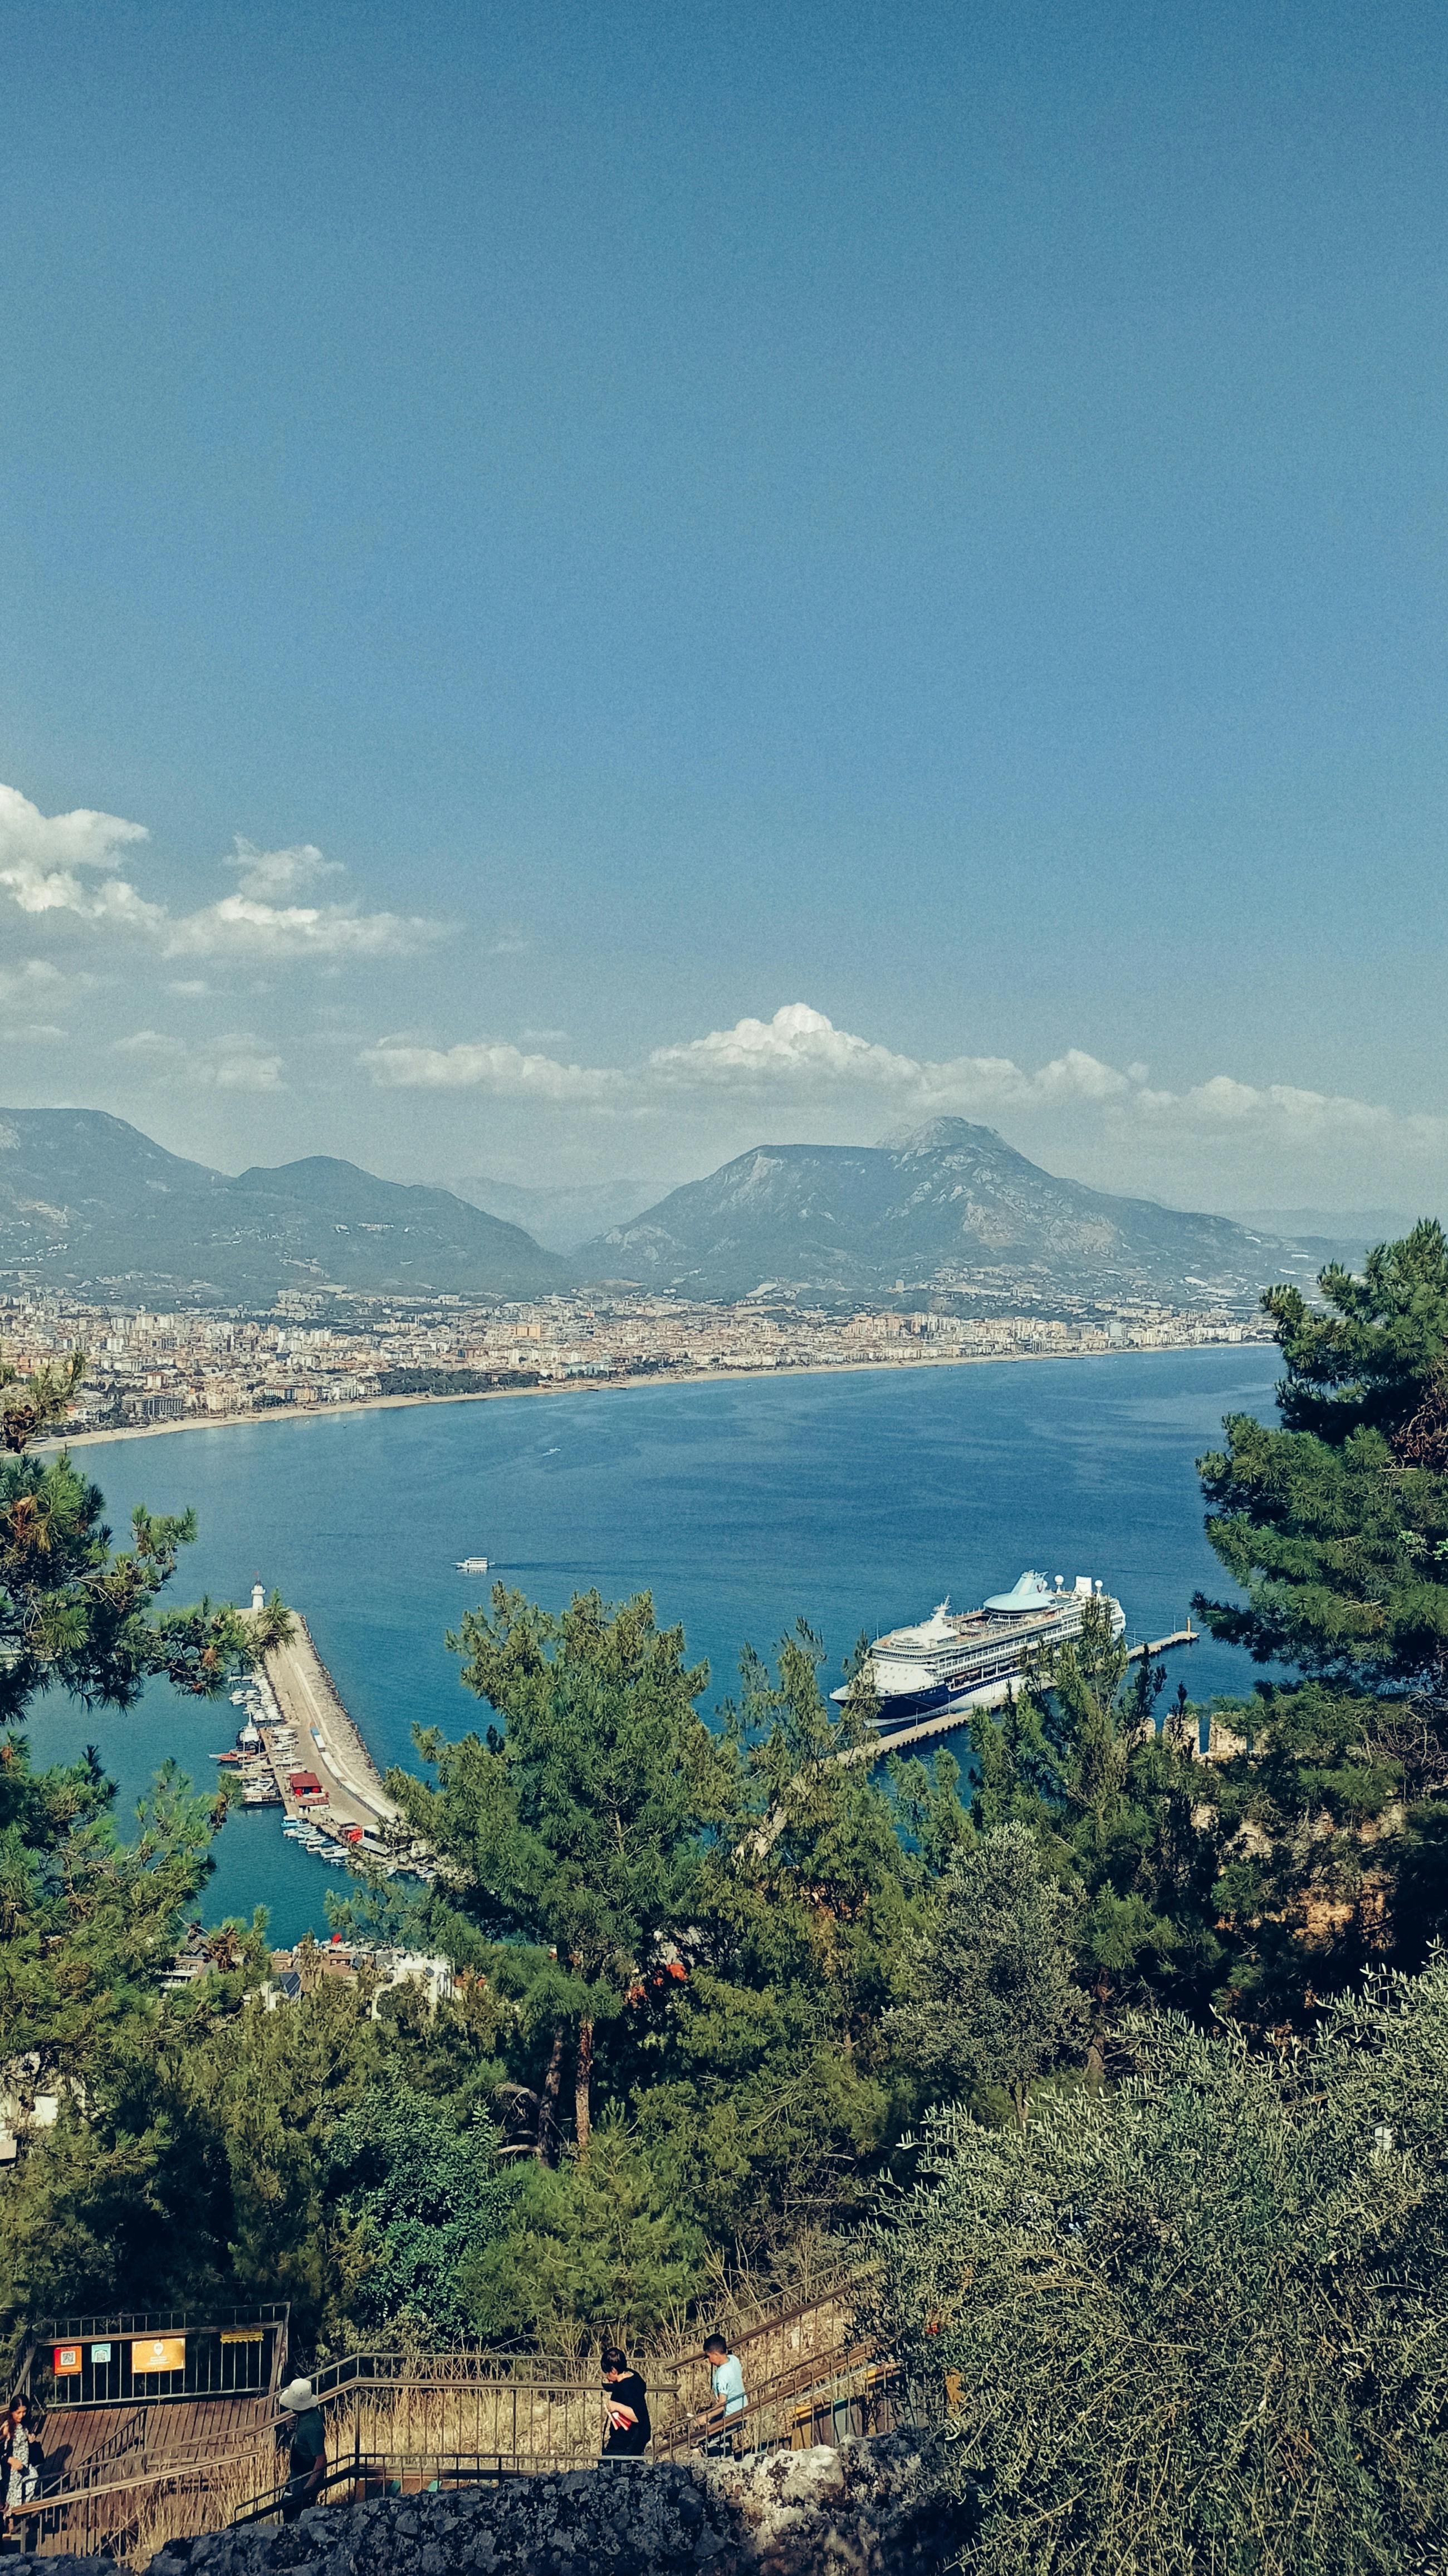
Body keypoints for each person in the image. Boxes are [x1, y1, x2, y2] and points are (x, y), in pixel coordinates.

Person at [277, 2379, 327, 2520]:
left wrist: (308, 2488)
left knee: (295, 2515)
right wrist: (288, 2426)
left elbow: (321, 2459)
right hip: (296, 2475)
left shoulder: (312, 2427)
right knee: (287, 2507)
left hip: (304, 2478)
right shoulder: (304, 2415)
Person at [692, 2333, 746, 2456]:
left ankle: (720, 2462)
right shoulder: (734, 2360)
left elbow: (722, 2404)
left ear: (716, 2354)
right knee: (720, 2435)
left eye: (709, 2356)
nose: (709, 2361)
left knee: (708, 2440)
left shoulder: (722, 2375)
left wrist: (706, 2416)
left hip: (731, 2415)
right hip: (742, 2408)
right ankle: (727, 2455)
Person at [599, 2346, 651, 2457]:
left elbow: (638, 2416)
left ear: (613, 2370)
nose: (606, 2375)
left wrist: (616, 2406)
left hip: (627, 2442)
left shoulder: (627, 2388)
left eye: (607, 2372)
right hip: (635, 2437)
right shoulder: (633, 2376)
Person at [2, 2396, 41, 2541]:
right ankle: (9, 2526)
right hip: (12, 2471)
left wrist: (31, 2441)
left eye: (24, 2412)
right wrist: (10, 2460)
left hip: (24, 2469)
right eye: (18, 2412)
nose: (21, 2416)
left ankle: (16, 2518)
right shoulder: (7, 2427)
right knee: (10, 2500)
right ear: (12, 2412)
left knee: (33, 2478)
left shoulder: (25, 2425)